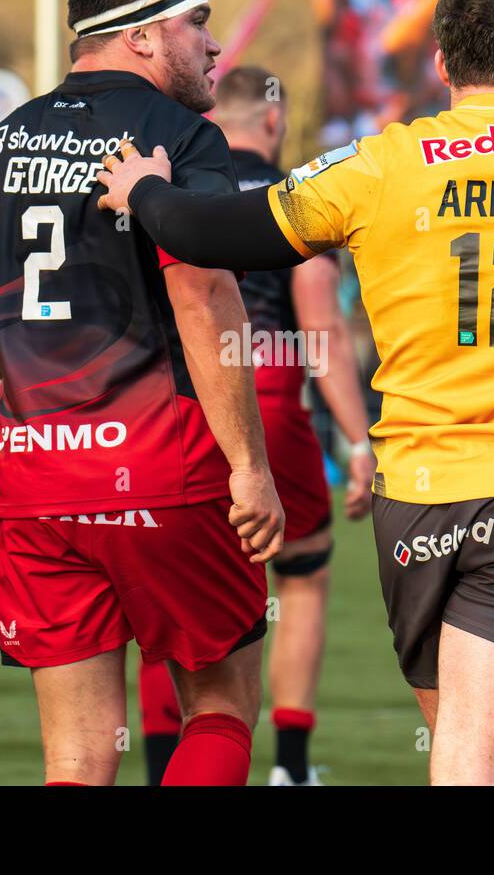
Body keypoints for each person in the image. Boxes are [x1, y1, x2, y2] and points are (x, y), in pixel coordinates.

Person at [97, 0, 494, 785]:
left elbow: (214, 232)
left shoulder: (383, 163)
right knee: (476, 769)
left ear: (440, 63)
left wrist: (145, 190)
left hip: (413, 507)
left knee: (464, 756)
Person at [0, 0, 284, 786]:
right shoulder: (185, 139)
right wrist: (249, 465)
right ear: (138, 37)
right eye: (197, 23)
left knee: (77, 755)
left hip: (37, 485)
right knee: (220, 705)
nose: (214, 48)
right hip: (166, 469)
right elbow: (205, 304)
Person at [135, 67, 377, 786]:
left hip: (173, 404)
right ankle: (293, 767)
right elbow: (322, 328)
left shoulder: (170, 187)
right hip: (268, 394)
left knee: (173, 596)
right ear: (272, 122)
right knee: (302, 578)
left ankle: (159, 768)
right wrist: (360, 441)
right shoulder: (293, 196)